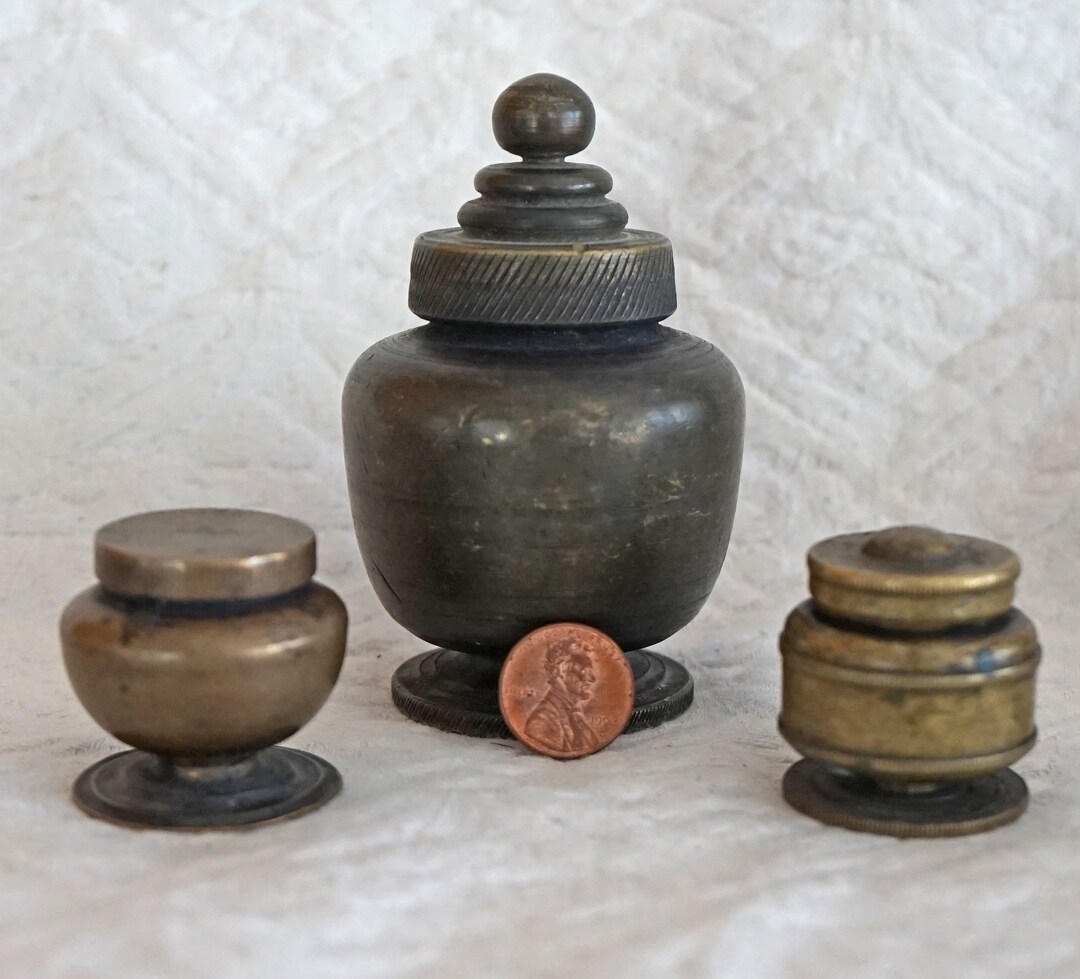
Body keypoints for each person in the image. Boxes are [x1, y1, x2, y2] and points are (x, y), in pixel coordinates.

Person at [523, 636, 599, 753]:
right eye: (583, 669)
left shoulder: (576, 716)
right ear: (560, 671)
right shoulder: (541, 723)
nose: (592, 678)